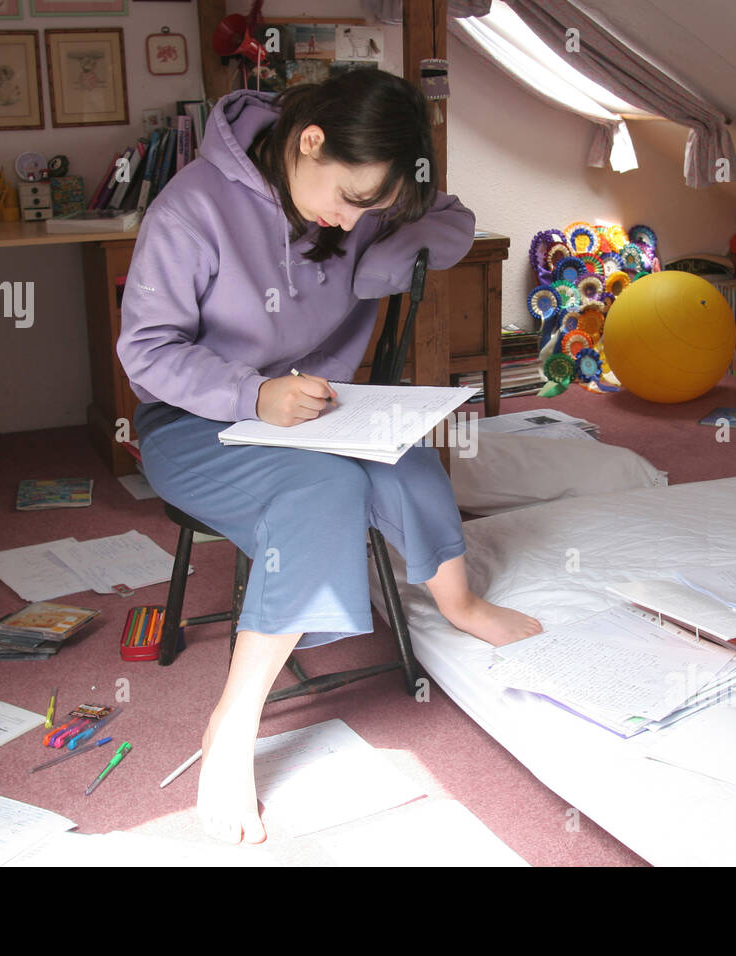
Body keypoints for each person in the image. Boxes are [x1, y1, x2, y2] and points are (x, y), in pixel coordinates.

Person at [117, 70, 542, 846]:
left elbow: (453, 222)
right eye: (350, 200)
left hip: (321, 406)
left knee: (406, 458)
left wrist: (393, 249)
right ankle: (231, 726)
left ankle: (461, 604)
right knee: (324, 492)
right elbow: (146, 353)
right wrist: (253, 395)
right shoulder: (193, 207)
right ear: (309, 141)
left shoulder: (361, 195)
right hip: (198, 421)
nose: (350, 224)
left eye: (371, 210)